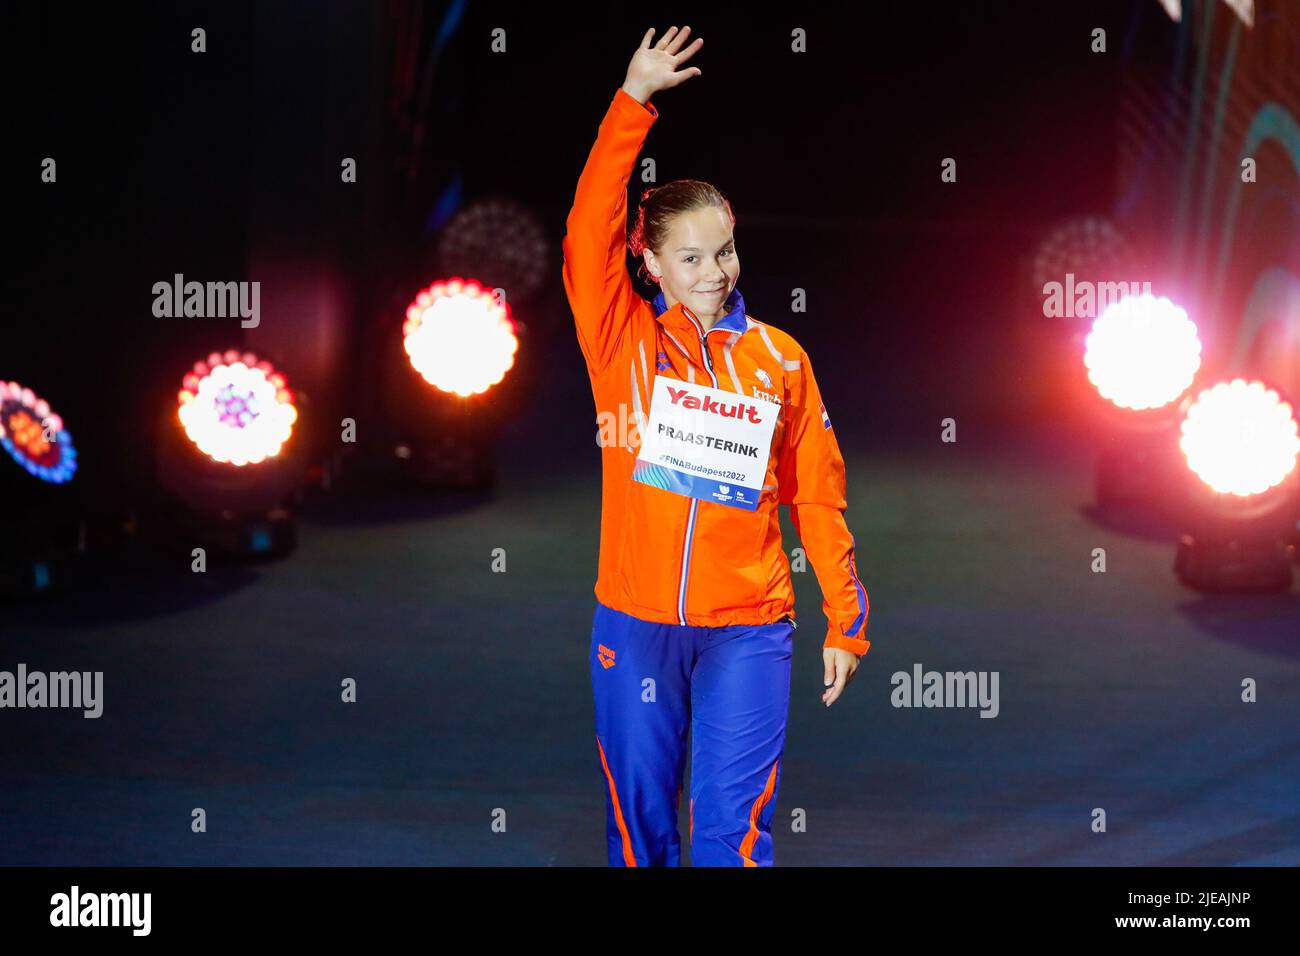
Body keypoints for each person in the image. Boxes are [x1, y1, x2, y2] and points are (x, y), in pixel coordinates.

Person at [561, 25, 870, 867]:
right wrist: (633, 104)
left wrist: (845, 616)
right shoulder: (621, 343)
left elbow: (817, 493)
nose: (714, 272)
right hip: (637, 624)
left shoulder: (780, 360)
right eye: (690, 256)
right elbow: (588, 228)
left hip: (750, 630)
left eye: (725, 249)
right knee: (644, 835)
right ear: (649, 262)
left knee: (733, 835)